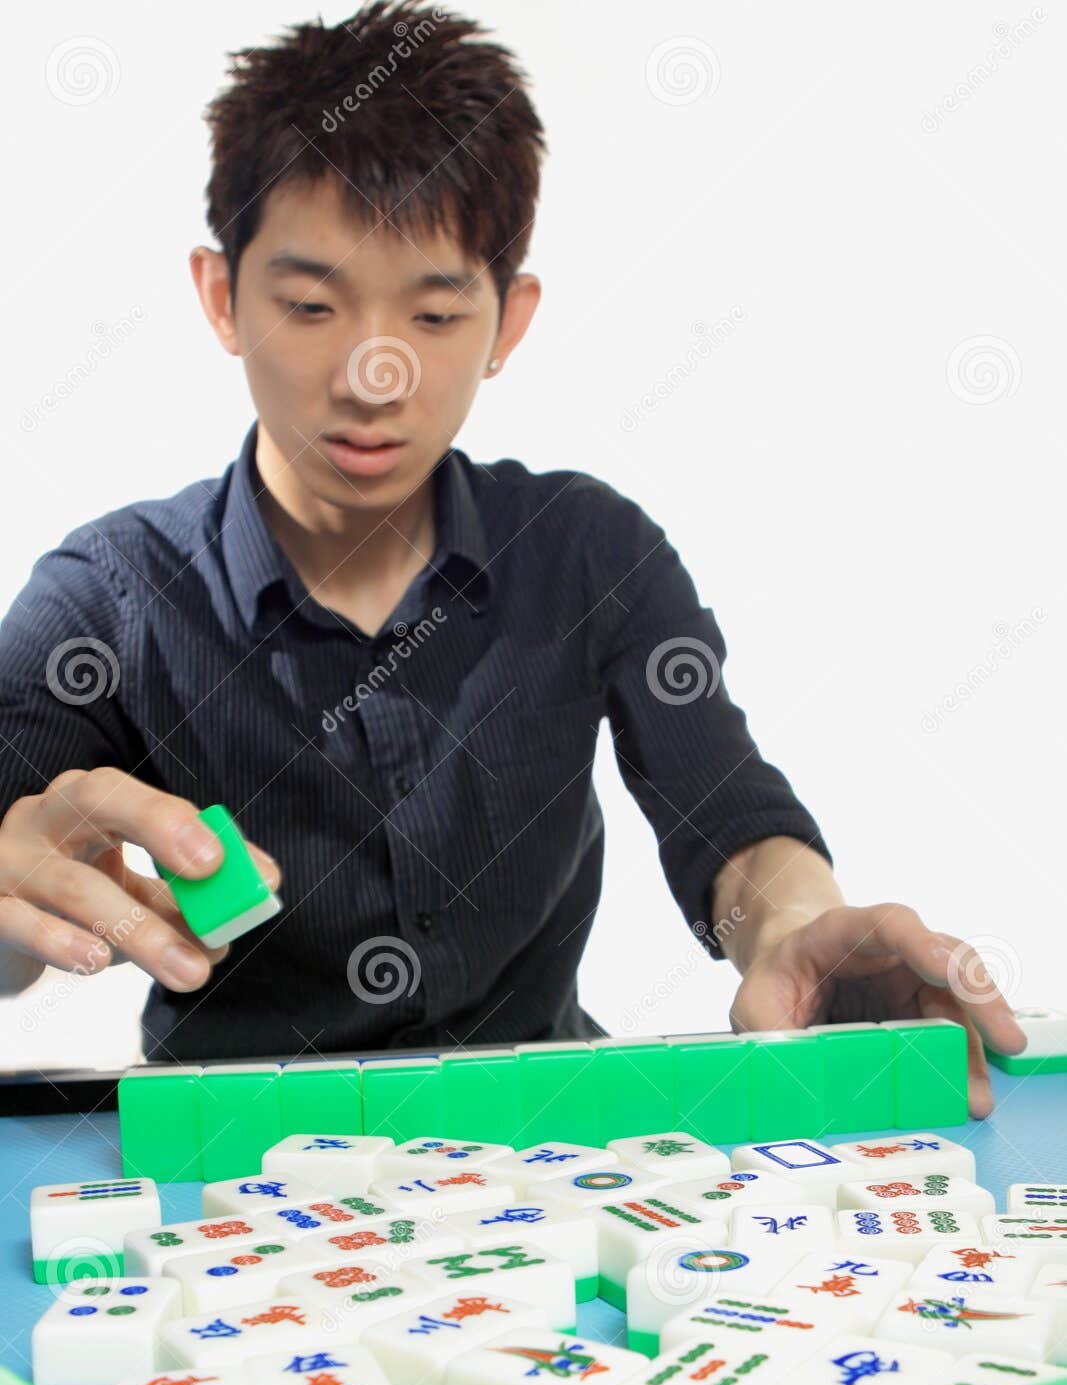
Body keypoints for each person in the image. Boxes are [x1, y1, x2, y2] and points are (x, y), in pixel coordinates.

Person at [0, 3, 1023, 1108]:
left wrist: (796, 928)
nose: (373, 377)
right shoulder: (101, 603)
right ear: (221, 297)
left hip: (548, 1144)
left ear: (508, 325)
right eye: (309, 304)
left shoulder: (590, 553)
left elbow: (725, 820)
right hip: (219, 1164)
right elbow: (13, 885)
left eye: (436, 317)